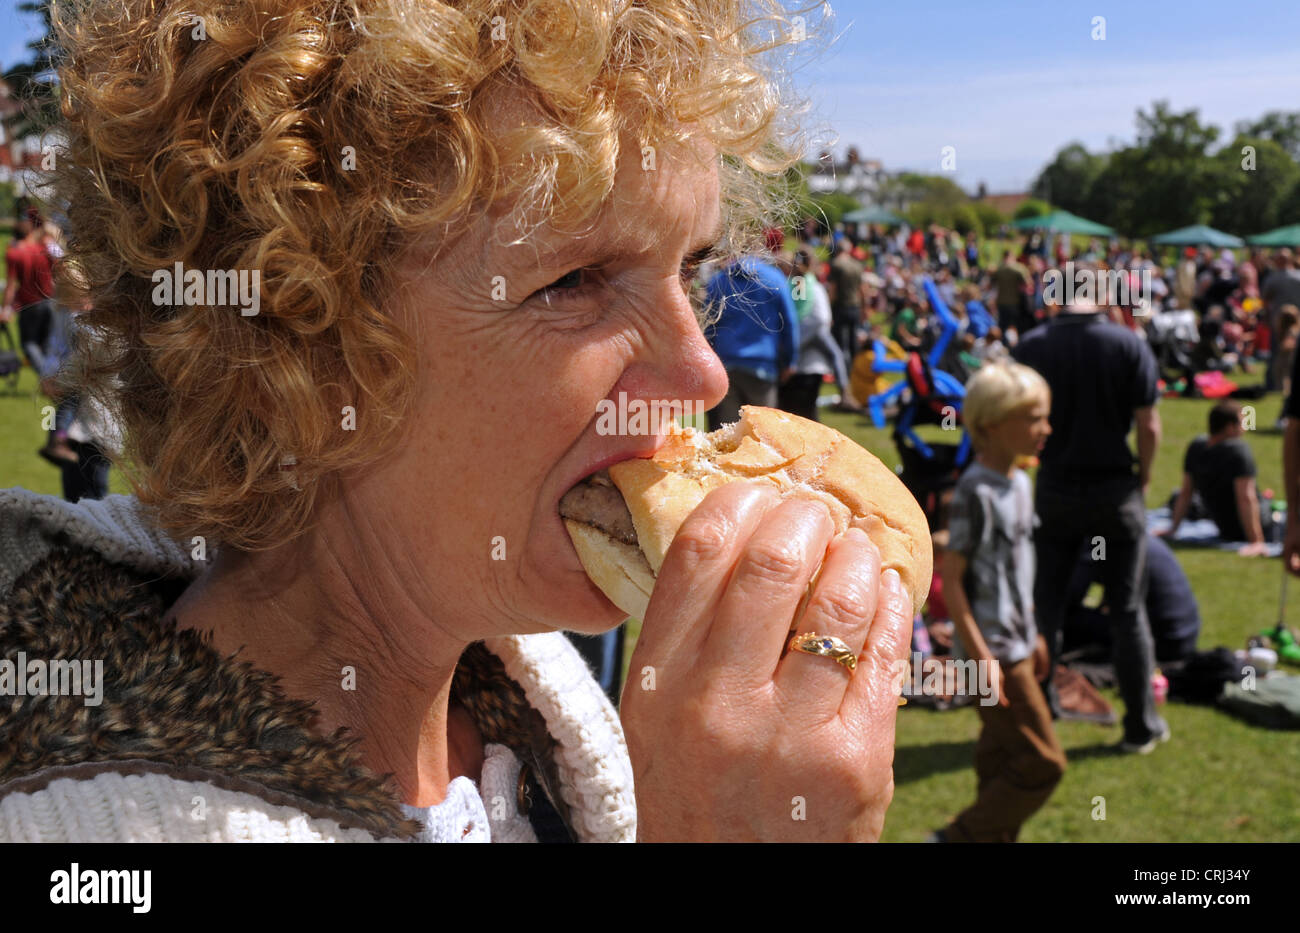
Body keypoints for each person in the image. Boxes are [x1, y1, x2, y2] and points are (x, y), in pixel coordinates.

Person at [1, 0, 914, 843]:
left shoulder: (538, 698)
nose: (702, 373)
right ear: (294, 345)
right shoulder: (90, 832)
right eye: (574, 281)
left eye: (693, 271)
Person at [1012, 295, 1169, 754]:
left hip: (1056, 488)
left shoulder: (1032, 346)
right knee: (1127, 609)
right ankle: (1141, 725)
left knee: (1047, 606)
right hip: (1114, 489)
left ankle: (1039, 715)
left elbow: (1011, 421)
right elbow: (1150, 424)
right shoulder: (1127, 343)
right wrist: (1144, 475)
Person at [937, 361, 1064, 843]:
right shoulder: (975, 491)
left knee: (1001, 759)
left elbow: (1018, 573)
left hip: (1018, 644)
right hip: (992, 656)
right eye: (1033, 417)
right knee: (1043, 762)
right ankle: (958, 836)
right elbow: (952, 583)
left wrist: (1034, 633)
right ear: (990, 423)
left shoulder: (1022, 483)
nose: (1045, 428)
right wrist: (982, 658)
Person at [703, 252, 799, 429]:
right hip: (762, 365)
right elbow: (790, 322)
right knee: (763, 432)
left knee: (728, 434)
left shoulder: (719, 280)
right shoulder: (774, 278)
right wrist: (790, 360)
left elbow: (708, 325)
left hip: (726, 363)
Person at [1163, 401, 1268, 554]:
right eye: (1242, 423)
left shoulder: (1196, 447)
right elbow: (1246, 498)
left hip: (1224, 528)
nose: (1245, 427)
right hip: (1248, 528)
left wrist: (1173, 529)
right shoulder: (1239, 451)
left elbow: (1186, 493)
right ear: (1229, 427)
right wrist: (1256, 542)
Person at [778, 248, 847, 420]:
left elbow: (799, 315)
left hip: (805, 364)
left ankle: (845, 390)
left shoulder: (800, 282)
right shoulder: (806, 282)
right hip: (806, 361)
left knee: (801, 419)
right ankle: (844, 389)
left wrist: (792, 346)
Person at [2, 210, 56, 379]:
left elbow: (11, 285)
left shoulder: (14, 253)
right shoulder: (43, 249)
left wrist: (5, 309)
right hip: (49, 301)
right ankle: (56, 377)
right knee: (46, 344)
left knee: (29, 344)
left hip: (29, 304)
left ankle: (48, 379)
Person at [826, 236, 867, 368]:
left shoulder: (836, 264)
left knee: (838, 340)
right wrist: (864, 309)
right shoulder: (857, 265)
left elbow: (833, 289)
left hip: (840, 307)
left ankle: (840, 369)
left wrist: (827, 308)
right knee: (853, 340)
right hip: (854, 307)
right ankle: (855, 369)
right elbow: (862, 290)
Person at [992, 250, 1029, 342]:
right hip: (1014, 302)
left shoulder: (999, 269)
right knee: (1015, 326)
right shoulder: (1019, 268)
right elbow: (1027, 283)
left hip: (1001, 302)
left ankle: (1002, 343)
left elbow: (992, 284)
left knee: (1002, 326)